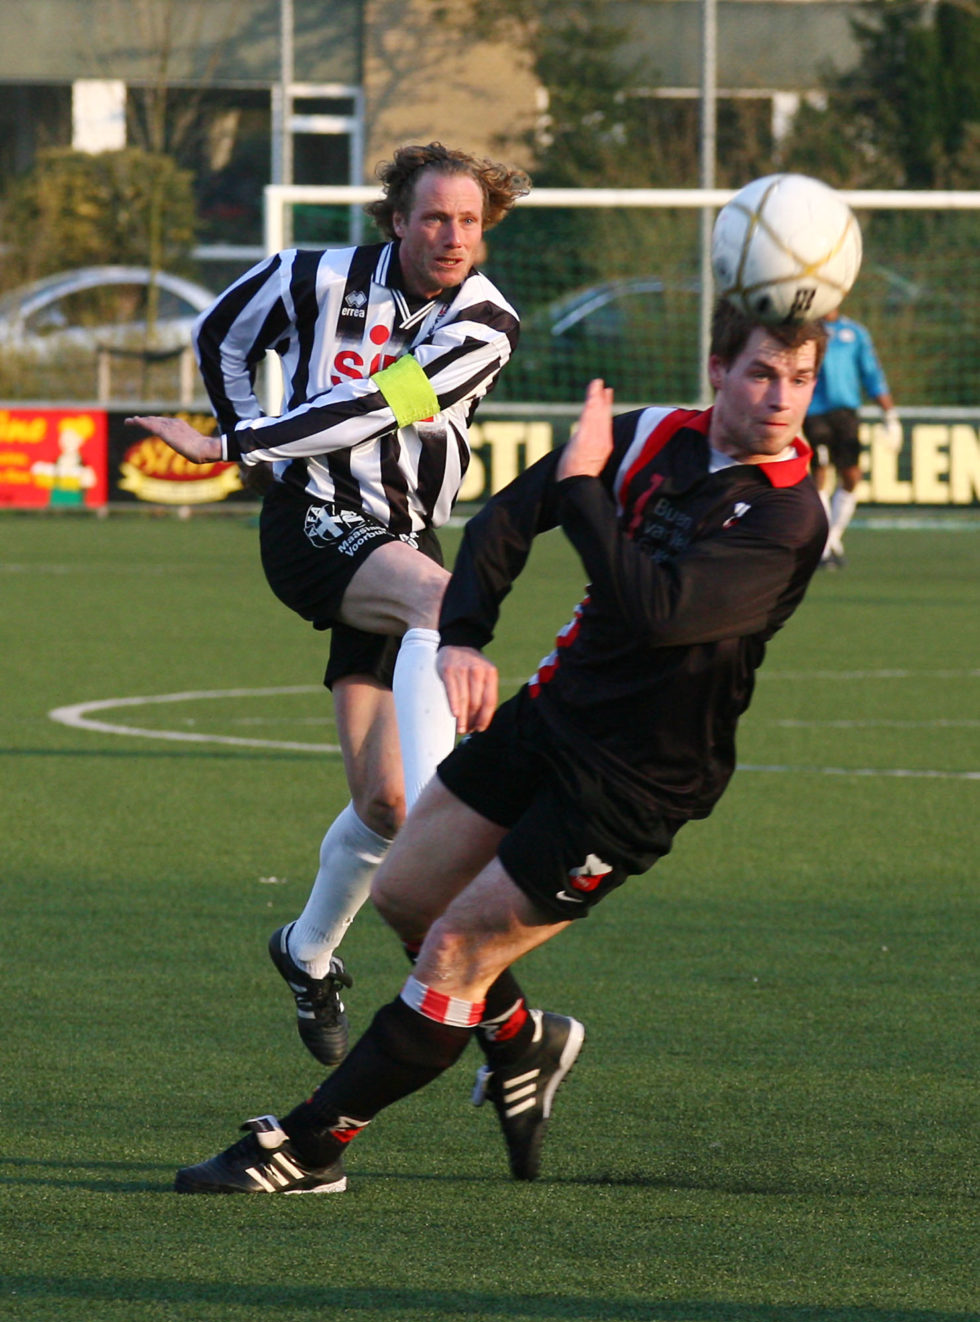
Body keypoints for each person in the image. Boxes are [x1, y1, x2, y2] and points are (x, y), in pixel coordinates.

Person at [173, 299, 830, 1195]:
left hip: (638, 782)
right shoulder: (647, 435)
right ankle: (525, 1040)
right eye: (762, 372)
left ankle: (307, 1145)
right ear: (718, 370)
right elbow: (503, 519)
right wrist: (464, 636)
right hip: (549, 718)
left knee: (453, 955)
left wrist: (586, 487)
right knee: (407, 895)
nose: (781, 397)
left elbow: (660, 613)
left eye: (799, 380)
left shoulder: (790, 516)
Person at [127, 144, 530, 1068]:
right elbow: (226, 332)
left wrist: (234, 441)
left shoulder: (487, 322)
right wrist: (247, 441)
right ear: (396, 218)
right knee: (441, 599)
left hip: (398, 538)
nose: (453, 236)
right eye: (435, 217)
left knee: (380, 802)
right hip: (310, 523)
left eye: (469, 221)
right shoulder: (312, 274)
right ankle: (454, 822)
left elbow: (374, 407)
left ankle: (306, 952)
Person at [803, 306, 900, 568]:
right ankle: (821, 545)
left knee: (851, 476)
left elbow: (872, 374)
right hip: (814, 411)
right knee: (821, 471)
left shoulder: (854, 333)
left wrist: (889, 415)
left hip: (846, 413)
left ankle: (832, 537)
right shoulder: (804, 331)